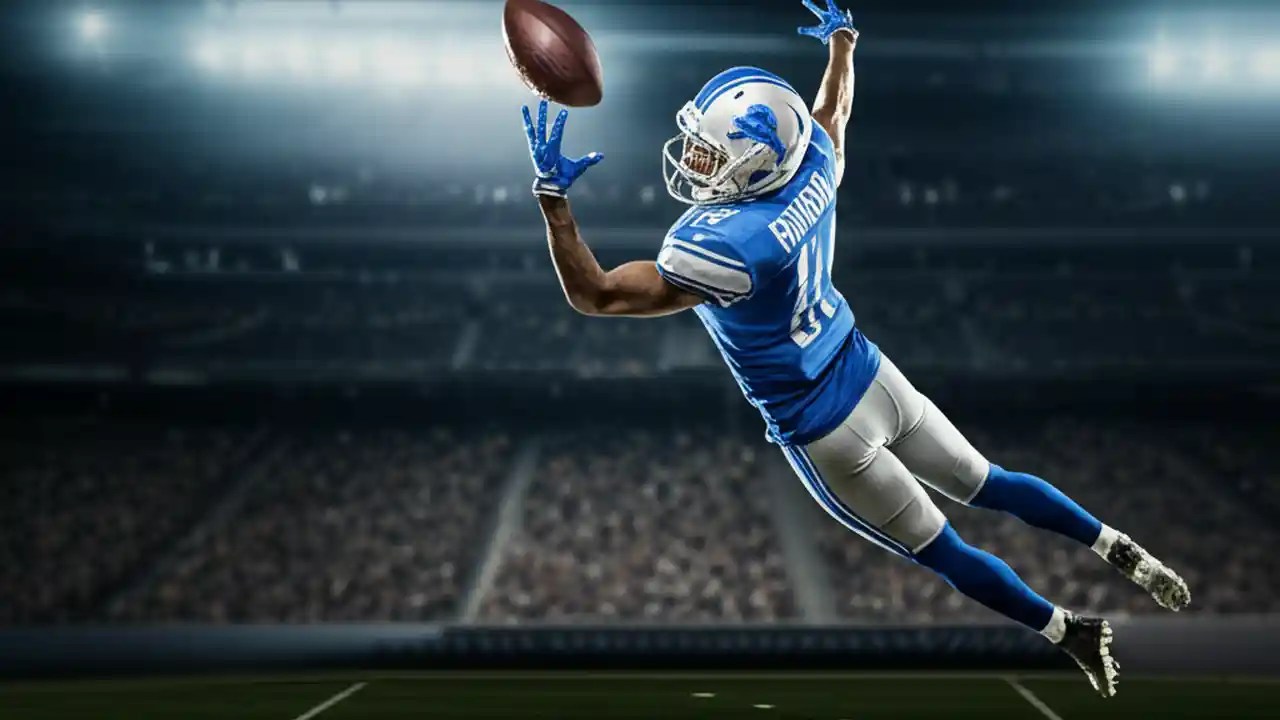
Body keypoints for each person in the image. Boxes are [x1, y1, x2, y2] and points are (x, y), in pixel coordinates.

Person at [516, 0, 1189, 697]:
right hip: (869, 370)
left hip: (824, 429)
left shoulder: (714, 248)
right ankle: (1117, 547)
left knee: (947, 552)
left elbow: (596, 295)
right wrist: (843, 43)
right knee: (988, 481)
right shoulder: (812, 168)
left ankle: (1068, 630)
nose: (693, 160)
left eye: (711, 152)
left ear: (751, 164)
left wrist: (553, 203)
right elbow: (830, 113)